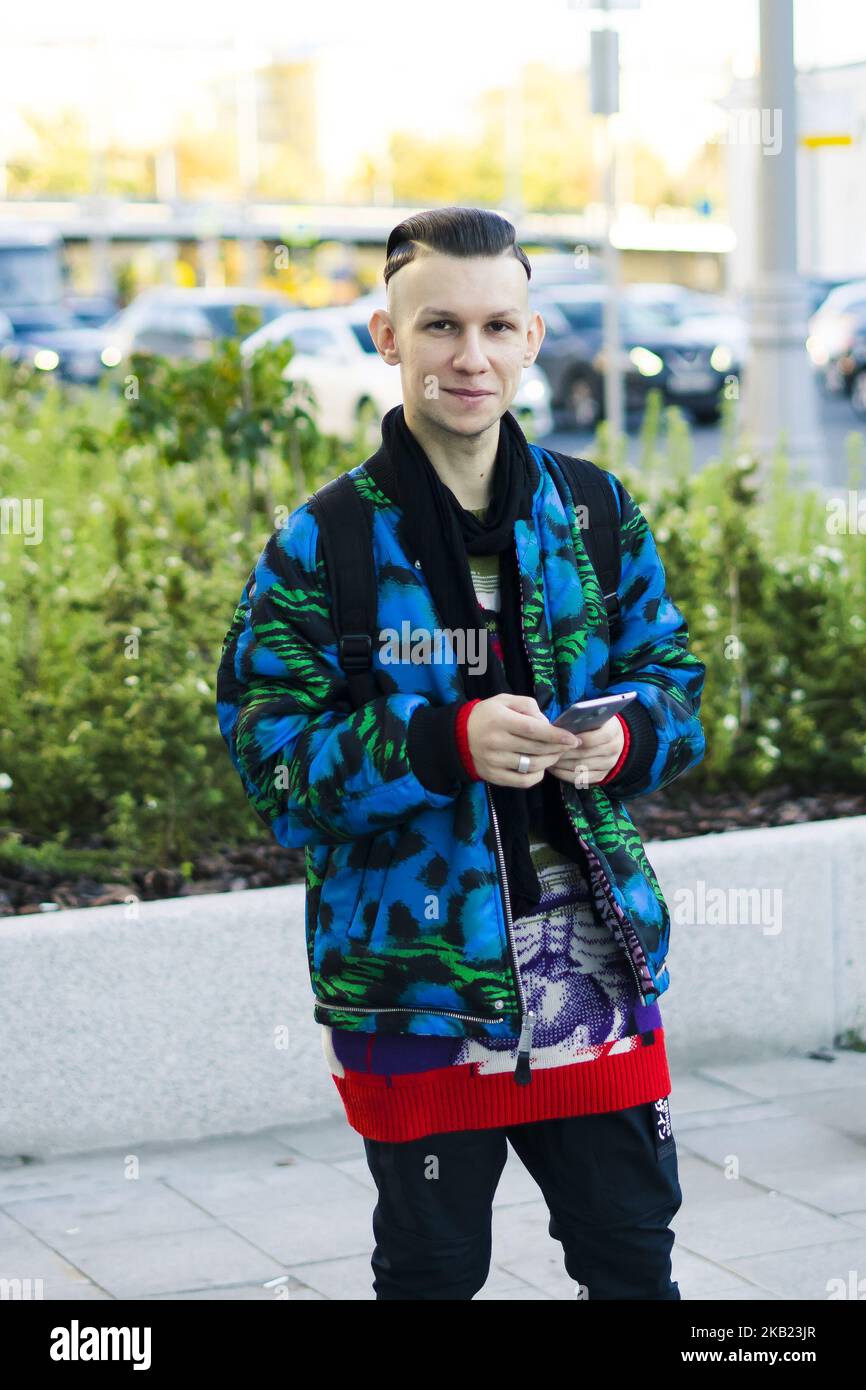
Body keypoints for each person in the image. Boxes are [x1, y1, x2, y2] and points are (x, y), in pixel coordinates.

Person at [215, 206, 707, 1300]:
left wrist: (622, 737)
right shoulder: (324, 540)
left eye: (497, 326)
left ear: (532, 337)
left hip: (592, 970)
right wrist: (442, 743)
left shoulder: (594, 512)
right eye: (438, 325)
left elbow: (676, 688)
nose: (468, 356)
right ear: (386, 339)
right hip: (412, 989)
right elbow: (271, 762)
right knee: (432, 1272)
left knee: (633, 1261)